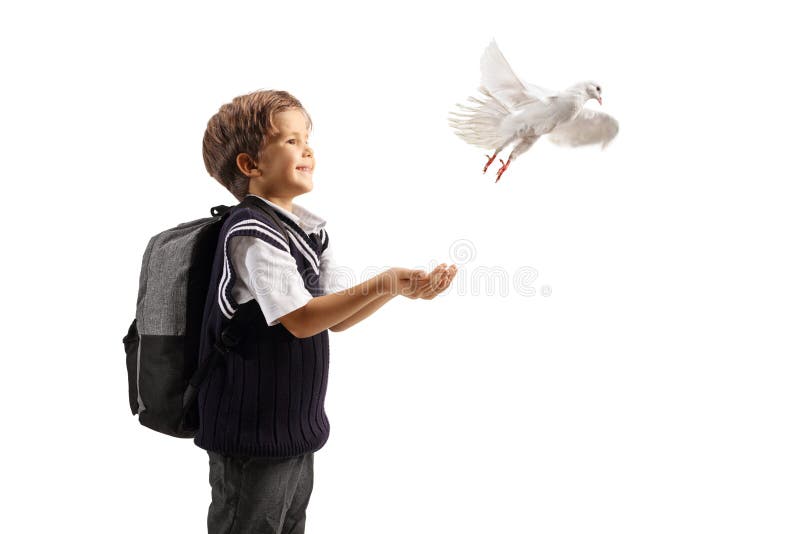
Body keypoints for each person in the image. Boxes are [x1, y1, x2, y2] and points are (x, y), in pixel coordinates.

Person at [197, 89, 457, 534]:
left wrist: (396, 288)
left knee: (289, 522)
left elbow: (333, 318)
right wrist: (385, 279)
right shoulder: (253, 235)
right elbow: (301, 320)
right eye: (291, 141)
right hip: (251, 428)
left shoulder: (310, 233)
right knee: (251, 524)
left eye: (307, 139)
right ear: (250, 166)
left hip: (293, 423)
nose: (308, 149)